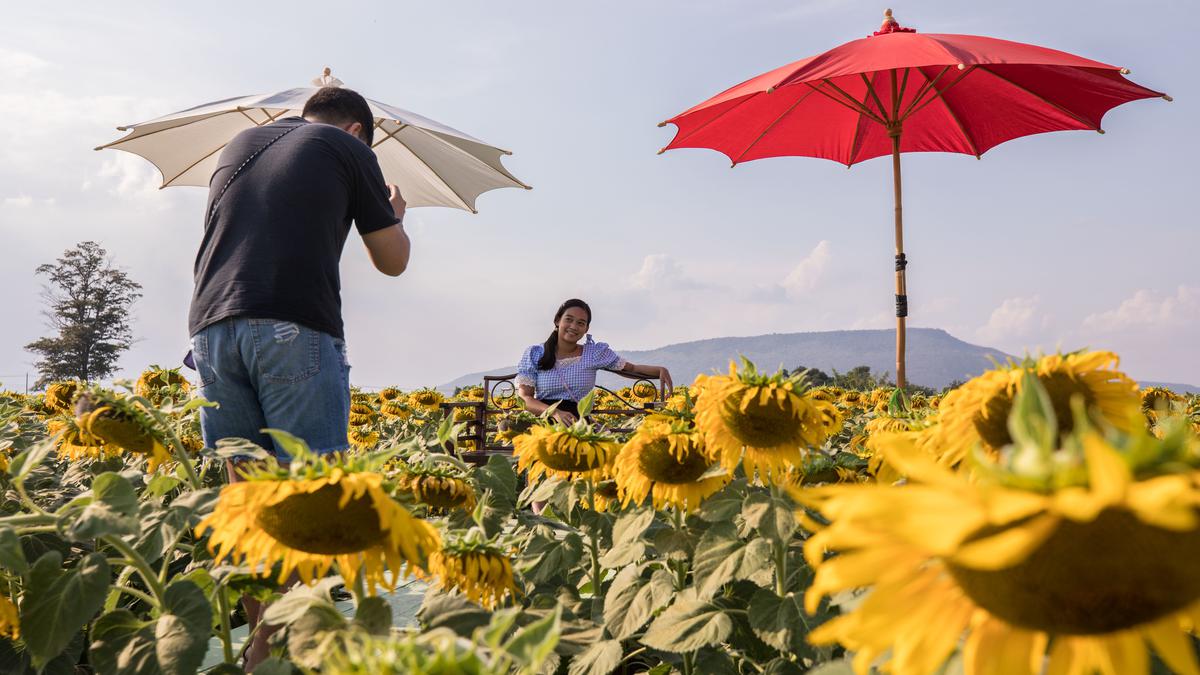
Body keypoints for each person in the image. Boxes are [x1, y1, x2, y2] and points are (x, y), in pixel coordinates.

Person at [186, 86, 410, 671]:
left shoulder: (241, 141)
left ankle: (259, 652)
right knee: (312, 506)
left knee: (250, 504)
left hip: (211, 330)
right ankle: (284, 655)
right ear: (361, 130)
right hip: (290, 326)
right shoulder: (348, 146)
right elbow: (392, 259)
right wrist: (394, 214)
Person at [516, 299, 673, 424]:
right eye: (569, 320)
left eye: (580, 323)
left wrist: (660, 370)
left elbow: (630, 368)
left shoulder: (594, 353)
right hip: (544, 422)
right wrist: (555, 412)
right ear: (558, 321)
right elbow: (525, 399)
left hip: (579, 425)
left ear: (586, 329)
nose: (573, 326)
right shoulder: (535, 353)